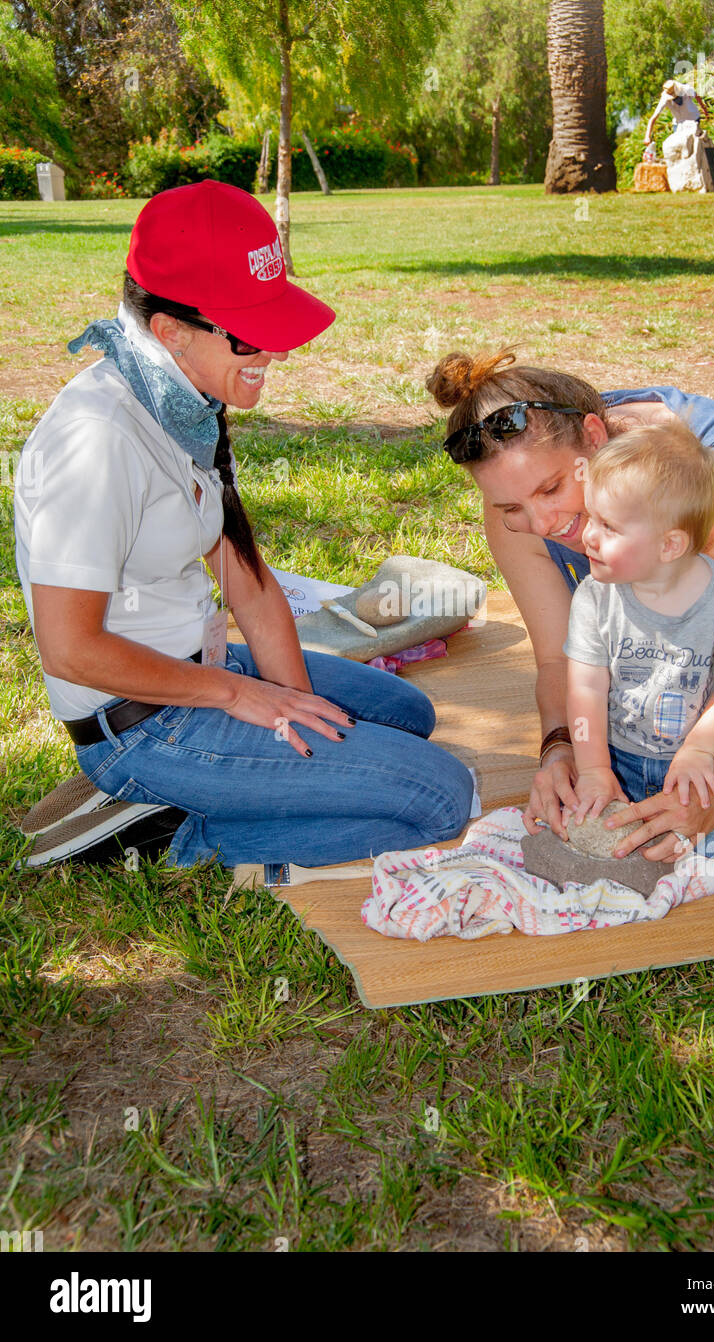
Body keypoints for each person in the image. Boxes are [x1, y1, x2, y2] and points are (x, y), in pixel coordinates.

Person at [14, 181, 474, 884]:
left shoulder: (185, 400)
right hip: (141, 722)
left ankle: (215, 795)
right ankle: (173, 833)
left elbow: (252, 590)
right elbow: (72, 649)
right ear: (168, 329)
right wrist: (243, 698)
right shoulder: (97, 440)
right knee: (441, 800)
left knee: (405, 715)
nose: (275, 354)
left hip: (202, 671)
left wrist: (298, 715)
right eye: (248, 333)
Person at [431, 350, 714, 862]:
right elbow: (556, 660)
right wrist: (559, 748)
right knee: (634, 701)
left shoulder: (713, 489)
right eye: (513, 507)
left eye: (551, 488)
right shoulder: (514, 493)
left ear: (594, 438)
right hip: (639, 558)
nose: (542, 521)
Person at [564, 421, 714, 863]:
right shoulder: (595, 597)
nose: (588, 536)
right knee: (594, 839)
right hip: (615, 753)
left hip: (696, 763)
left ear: (670, 545)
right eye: (590, 517)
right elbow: (586, 688)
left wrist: (701, 750)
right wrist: (594, 769)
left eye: (608, 526)